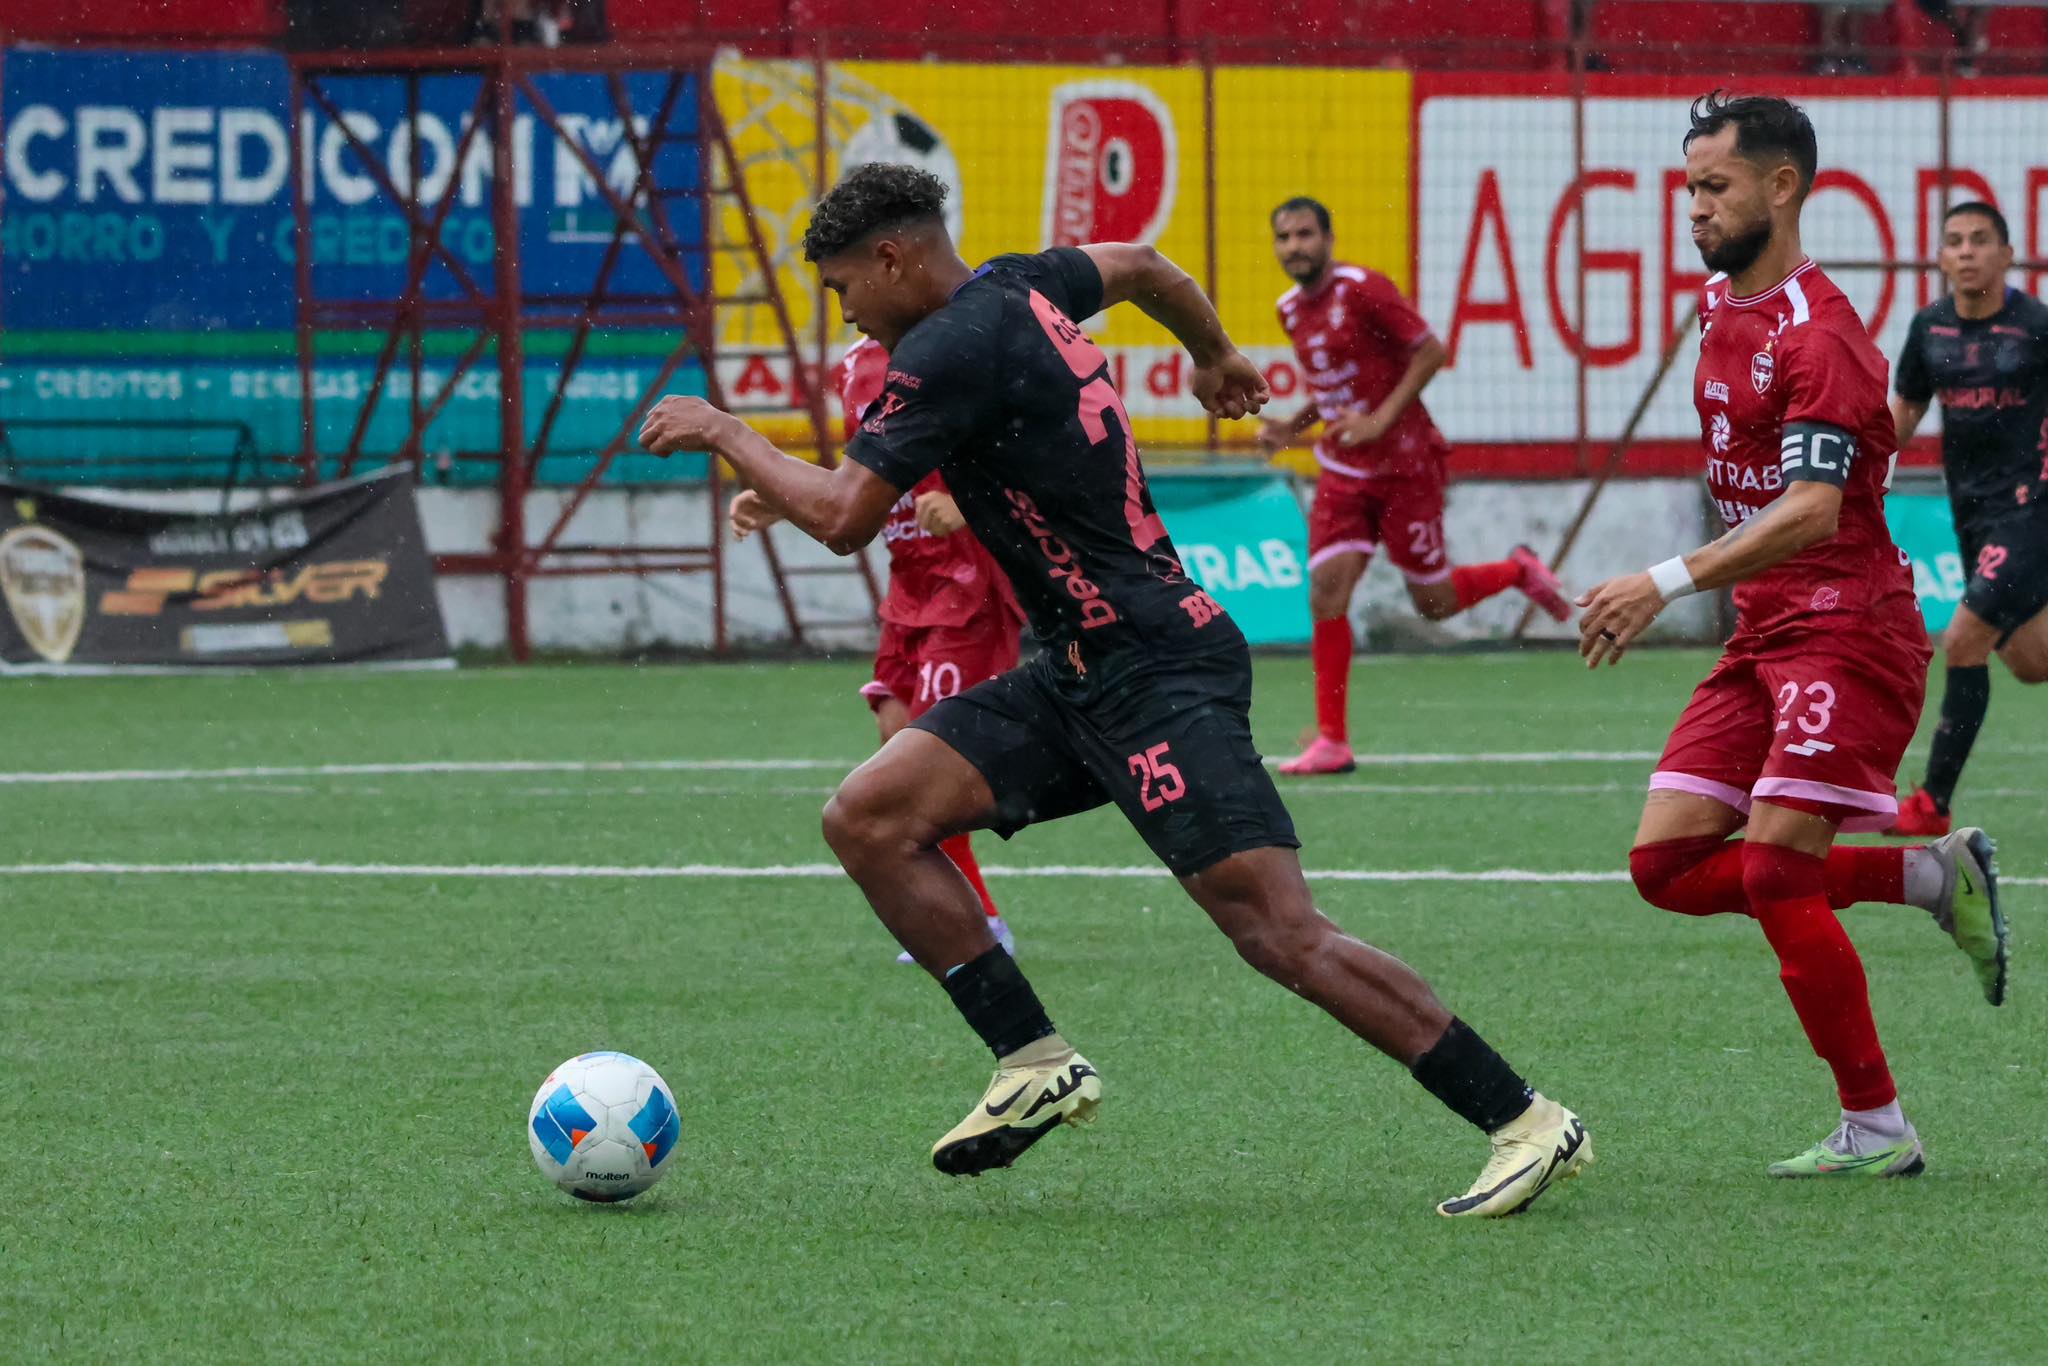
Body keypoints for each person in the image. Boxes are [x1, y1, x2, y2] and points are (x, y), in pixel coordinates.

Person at [640, 163, 1592, 1217]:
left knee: (1276, 931)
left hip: (1153, 667)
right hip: (1072, 670)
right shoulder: (1023, 285)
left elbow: (845, 517)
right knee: (868, 814)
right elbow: (1142, 266)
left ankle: (1523, 1118)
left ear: (891, 258)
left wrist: (729, 432)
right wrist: (1215, 352)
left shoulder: (945, 346)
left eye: (842, 289)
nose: (848, 314)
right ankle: (1031, 1058)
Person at [1576, 92, 2009, 1180]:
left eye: (1712, 187)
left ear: (1780, 187)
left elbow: (1814, 509)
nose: (1692, 210)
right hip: (1766, 630)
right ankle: (1924, 878)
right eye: (1686, 190)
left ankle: (1877, 1126)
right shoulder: (1722, 315)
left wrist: (1662, 580)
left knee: (1774, 871)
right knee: (1664, 864)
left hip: (1845, 628)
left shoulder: (1820, 335)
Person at [731, 336, 1025, 962]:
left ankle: (982, 922)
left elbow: (1031, 449)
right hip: (908, 592)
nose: (845, 296)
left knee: (931, 770)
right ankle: (957, 913)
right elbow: (866, 472)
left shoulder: (959, 344)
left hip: (967, 591)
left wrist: (969, 504)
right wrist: (784, 501)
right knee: (896, 746)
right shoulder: (852, 361)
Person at [1260, 197, 1571, 776]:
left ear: (1328, 238)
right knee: (1327, 592)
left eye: (1305, 235)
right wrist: (1291, 427)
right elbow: (1332, 389)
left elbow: (1432, 350)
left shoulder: (1362, 289)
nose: (1294, 247)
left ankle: (1517, 570)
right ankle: (1332, 739)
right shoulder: (1290, 309)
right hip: (1345, 471)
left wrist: (1381, 421)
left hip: (1407, 467)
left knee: (1433, 603)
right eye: (1284, 238)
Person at [1884, 202, 2048, 836]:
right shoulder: (1929, 329)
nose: (1968, 251)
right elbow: (1904, 410)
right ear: (1941, 258)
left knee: (1964, 640)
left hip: (2033, 510)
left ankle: (1932, 803)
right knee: (2033, 663)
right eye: (1955, 241)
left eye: (1982, 240)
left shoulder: (2035, 326)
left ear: (2007, 255)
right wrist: (1856, 481)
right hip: (1973, 514)